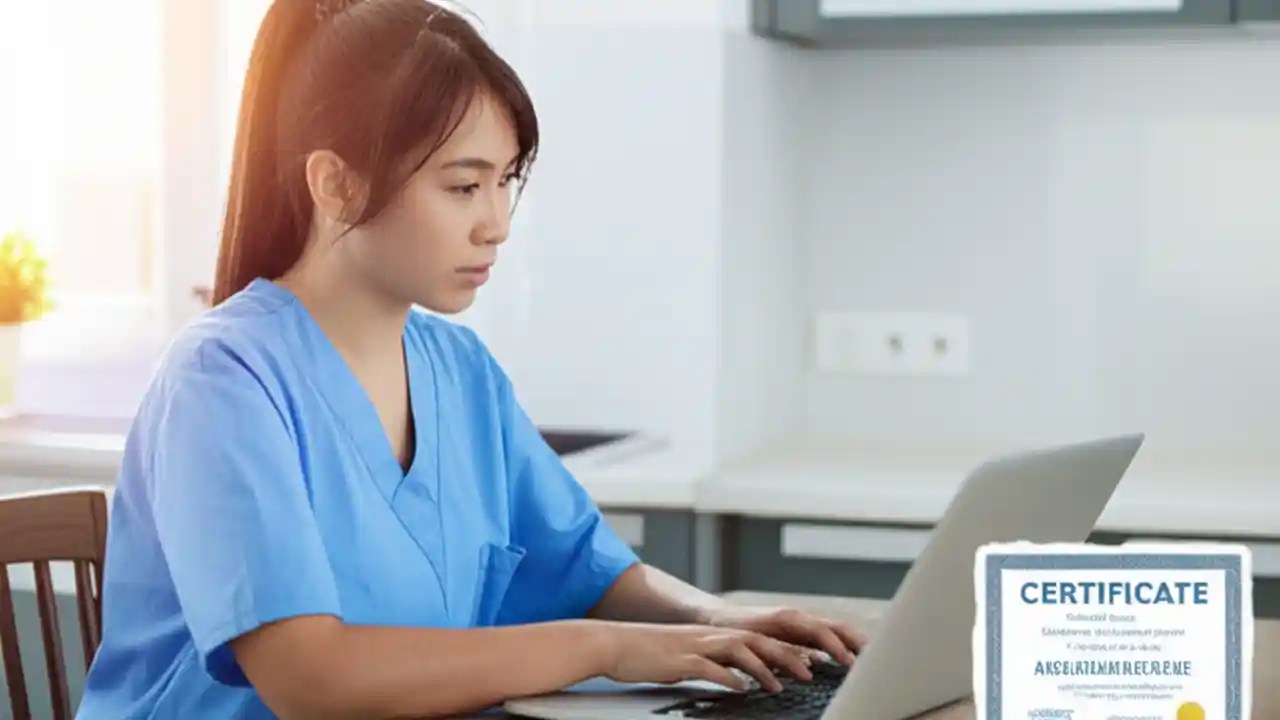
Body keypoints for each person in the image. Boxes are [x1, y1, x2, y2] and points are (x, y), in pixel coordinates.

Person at [75, 1, 865, 717]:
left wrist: (721, 618)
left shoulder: (460, 372)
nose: (496, 225)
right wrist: (605, 648)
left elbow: (590, 572)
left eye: (505, 183)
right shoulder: (223, 379)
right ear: (337, 186)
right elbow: (310, 678)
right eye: (462, 187)